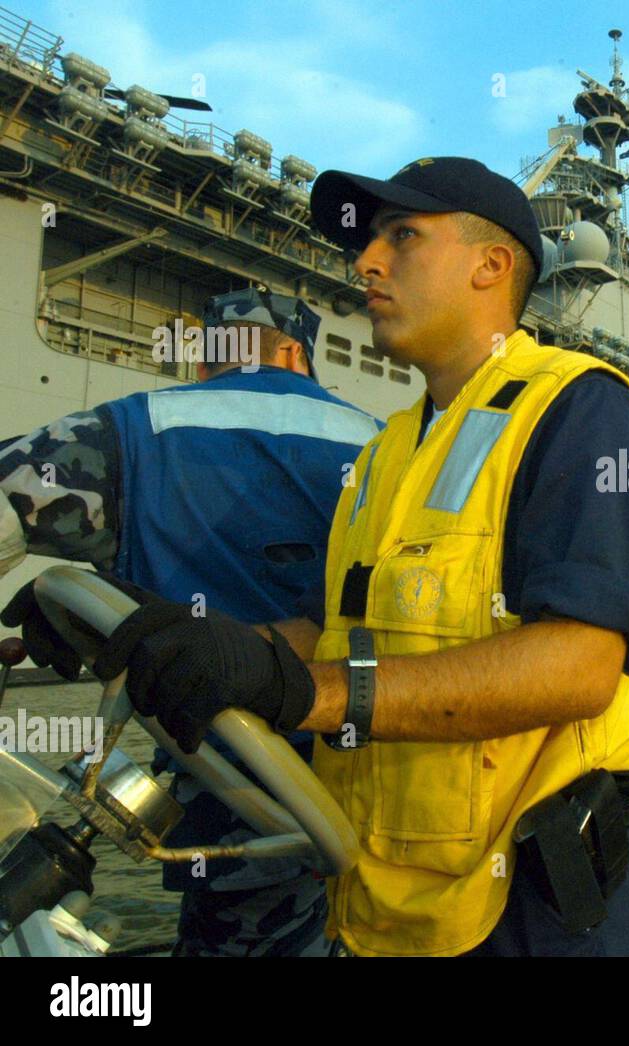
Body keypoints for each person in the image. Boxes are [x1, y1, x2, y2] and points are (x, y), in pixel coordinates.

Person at [29, 156, 629, 956]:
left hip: (536, 916)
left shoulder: (583, 408)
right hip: (384, 909)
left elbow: (579, 665)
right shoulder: (387, 450)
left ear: (492, 264)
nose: (365, 262)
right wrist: (160, 636)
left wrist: (314, 695)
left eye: (402, 236)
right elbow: (340, 635)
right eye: (369, 241)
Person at [0, 289, 381, 955]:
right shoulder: (387, 448)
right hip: (380, 795)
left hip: (231, 807)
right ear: (297, 354)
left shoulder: (134, 431)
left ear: (206, 359)